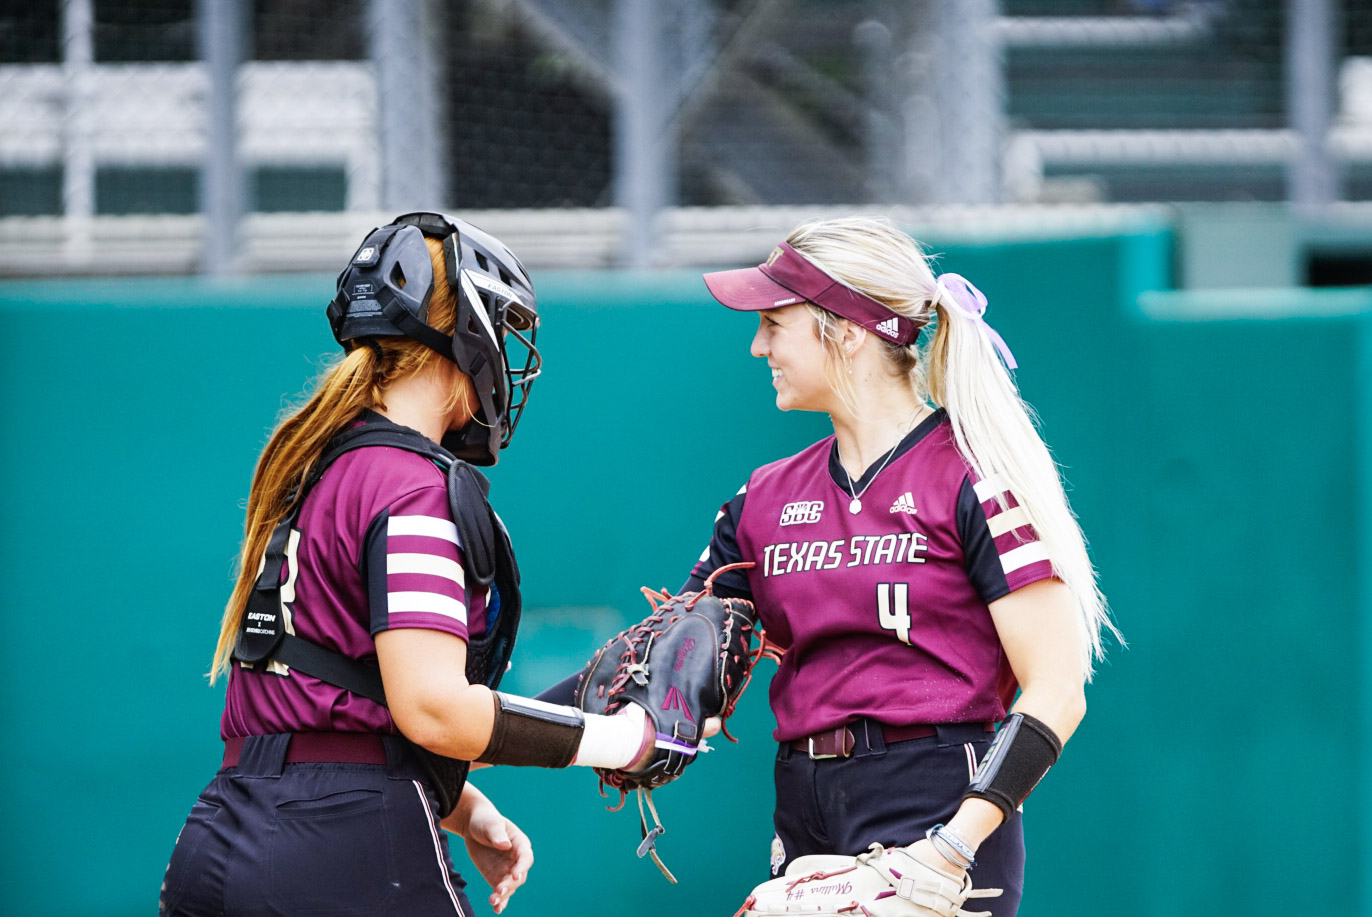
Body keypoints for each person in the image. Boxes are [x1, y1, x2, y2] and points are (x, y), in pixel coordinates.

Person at [159, 213, 661, 917]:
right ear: (467, 341)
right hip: (344, 850)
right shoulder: (410, 484)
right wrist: (624, 740)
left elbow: (330, 704)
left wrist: (459, 804)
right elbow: (429, 708)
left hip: (219, 837)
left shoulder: (315, 463)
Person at [688, 216, 1115, 914]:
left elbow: (1058, 689)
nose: (758, 343)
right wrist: (486, 733)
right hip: (802, 806)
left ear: (848, 330)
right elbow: (671, 659)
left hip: (938, 808)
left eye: (773, 321)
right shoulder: (763, 497)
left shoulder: (974, 477)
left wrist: (948, 849)